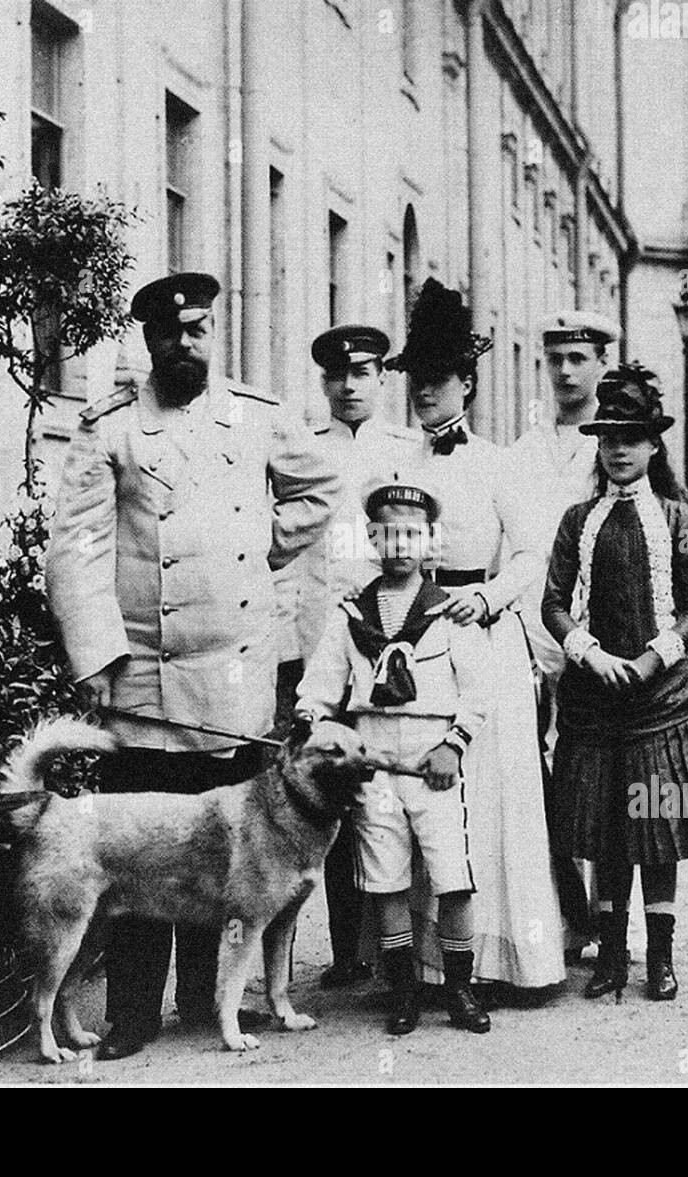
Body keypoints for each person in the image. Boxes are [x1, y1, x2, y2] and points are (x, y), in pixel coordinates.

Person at [45, 271, 340, 1060]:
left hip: (234, 671)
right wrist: (97, 652)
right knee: (146, 842)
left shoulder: (256, 417)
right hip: (143, 670)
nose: (186, 343)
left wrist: (256, 556)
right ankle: (134, 1014)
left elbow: (320, 489)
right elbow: (76, 545)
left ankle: (211, 1002)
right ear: (148, 340)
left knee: (223, 847)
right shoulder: (111, 427)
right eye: (170, 332)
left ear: (215, 333)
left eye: (199, 329)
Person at [386, 277, 566, 996]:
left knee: (489, 793)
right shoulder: (397, 463)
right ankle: (429, 966)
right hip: (417, 637)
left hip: (484, 638)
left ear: (467, 383)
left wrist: (487, 598)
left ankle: (499, 960)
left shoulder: (498, 462)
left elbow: (532, 554)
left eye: (438, 381)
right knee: (425, 790)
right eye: (416, 382)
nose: (425, 394)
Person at [541, 361, 688, 1003]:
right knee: (605, 829)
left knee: (657, 825)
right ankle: (610, 957)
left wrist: (654, 659)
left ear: (655, 444)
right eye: (608, 438)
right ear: (597, 447)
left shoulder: (679, 520)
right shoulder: (577, 519)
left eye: (632, 436)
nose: (619, 448)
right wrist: (589, 653)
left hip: (662, 698)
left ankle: (660, 958)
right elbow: (552, 603)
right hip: (595, 696)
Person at [295, 474, 493, 1035]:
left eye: (411, 534)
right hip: (373, 759)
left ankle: (459, 988)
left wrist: (454, 746)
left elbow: (479, 694)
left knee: (453, 876)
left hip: (433, 758)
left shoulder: (447, 612)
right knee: (385, 879)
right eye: (387, 534)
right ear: (372, 541)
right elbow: (319, 687)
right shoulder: (350, 615)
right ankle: (403, 991)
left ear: (430, 541)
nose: (399, 546)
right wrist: (314, 721)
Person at [276, 325, 417, 990]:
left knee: (394, 789)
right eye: (338, 375)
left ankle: (404, 949)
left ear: (383, 377)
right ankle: (346, 950)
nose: (350, 385)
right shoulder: (301, 451)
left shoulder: (407, 449)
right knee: (329, 791)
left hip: (395, 648)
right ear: (324, 381)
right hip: (322, 645)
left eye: (363, 372)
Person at [510, 309, 618, 964]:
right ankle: (566, 917)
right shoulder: (522, 452)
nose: (567, 371)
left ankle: (610, 922)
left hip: (595, 641)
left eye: (579, 358)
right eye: (557, 359)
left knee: (600, 779)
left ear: (602, 364)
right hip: (530, 637)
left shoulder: (612, 449)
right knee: (538, 785)